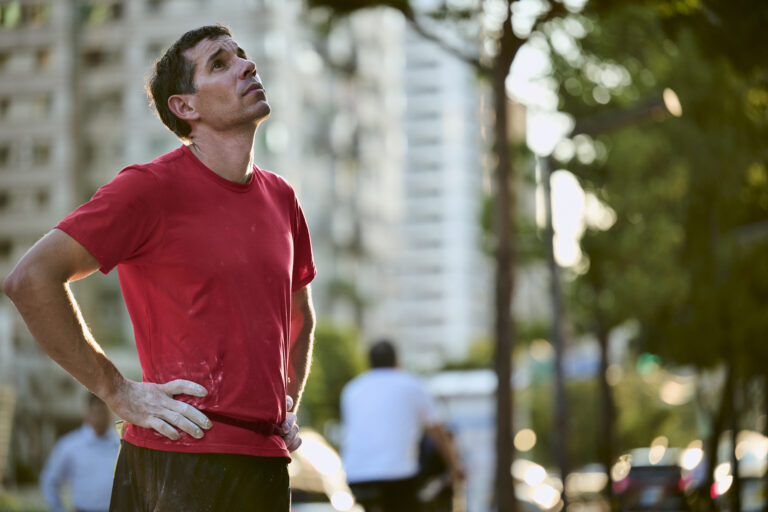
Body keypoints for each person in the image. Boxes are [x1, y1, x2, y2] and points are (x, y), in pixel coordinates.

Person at [3, 24, 316, 511]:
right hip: (177, 463)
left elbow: (300, 316)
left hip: (265, 464)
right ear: (185, 107)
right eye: (220, 63)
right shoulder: (148, 189)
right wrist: (117, 391)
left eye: (242, 55)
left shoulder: (283, 198)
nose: (246, 66)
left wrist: (287, 402)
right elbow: (30, 280)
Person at [340, 340, 465, 512]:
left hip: (356, 475)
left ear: (369, 362)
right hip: (398, 475)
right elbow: (437, 431)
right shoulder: (412, 384)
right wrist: (454, 466)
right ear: (397, 361)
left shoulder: (351, 389)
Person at [40, 394, 120, 512]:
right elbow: (50, 481)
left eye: (104, 410)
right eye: (96, 411)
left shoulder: (121, 445)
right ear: (87, 413)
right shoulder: (69, 445)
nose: (100, 416)